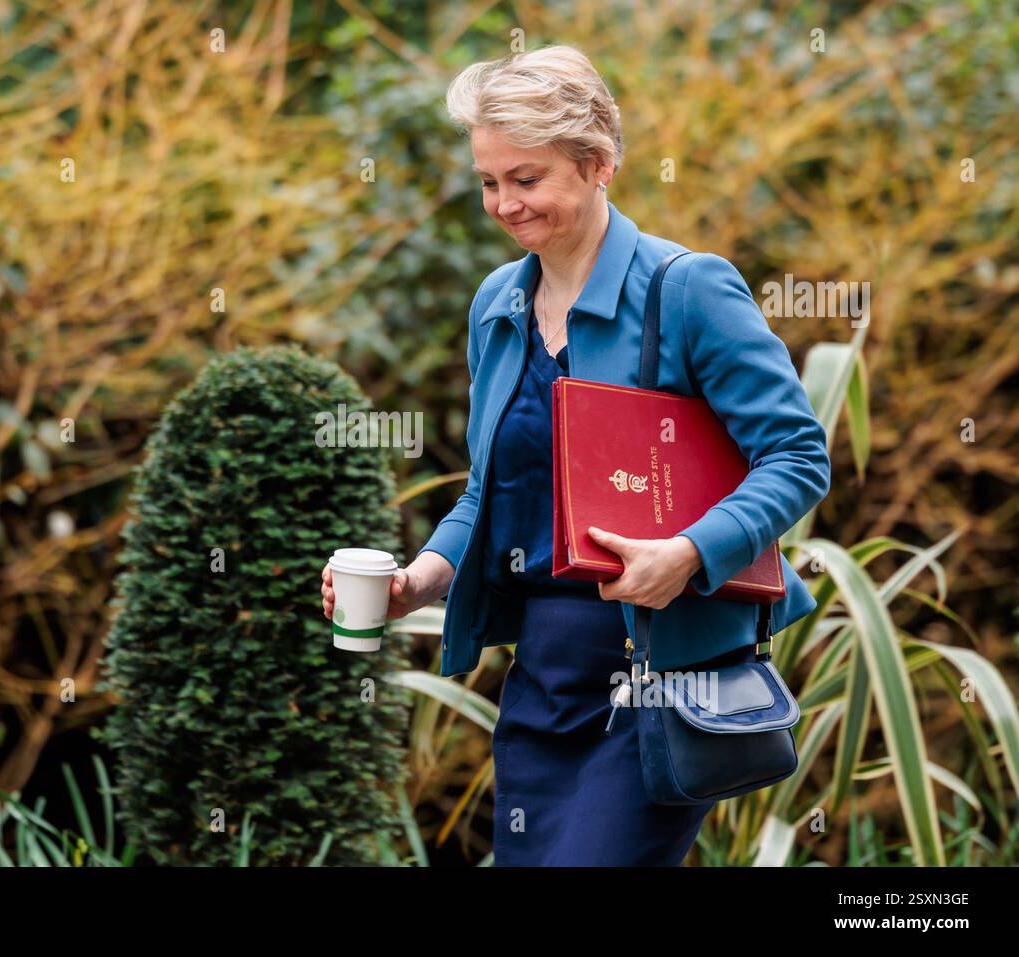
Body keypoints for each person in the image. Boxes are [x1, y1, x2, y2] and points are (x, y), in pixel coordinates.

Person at [321, 45, 830, 866]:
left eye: (527, 179)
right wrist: (417, 581)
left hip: (664, 671)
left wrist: (688, 553)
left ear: (599, 164)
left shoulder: (688, 289)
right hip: (542, 681)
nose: (503, 204)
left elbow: (798, 455)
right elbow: (489, 493)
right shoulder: (498, 303)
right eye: (489, 182)